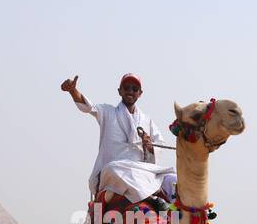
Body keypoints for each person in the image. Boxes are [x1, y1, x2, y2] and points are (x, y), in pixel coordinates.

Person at [60, 73, 176, 204]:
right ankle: (151, 198)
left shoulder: (147, 120)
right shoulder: (107, 112)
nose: (130, 91)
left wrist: (150, 146)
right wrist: (73, 91)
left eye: (134, 89)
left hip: (142, 170)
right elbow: (89, 107)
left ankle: (194, 217)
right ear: (119, 91)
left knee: (173, 179)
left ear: (140, 93)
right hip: (117, 170)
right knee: (112, 169)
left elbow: (159, 144)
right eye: (126, 88)